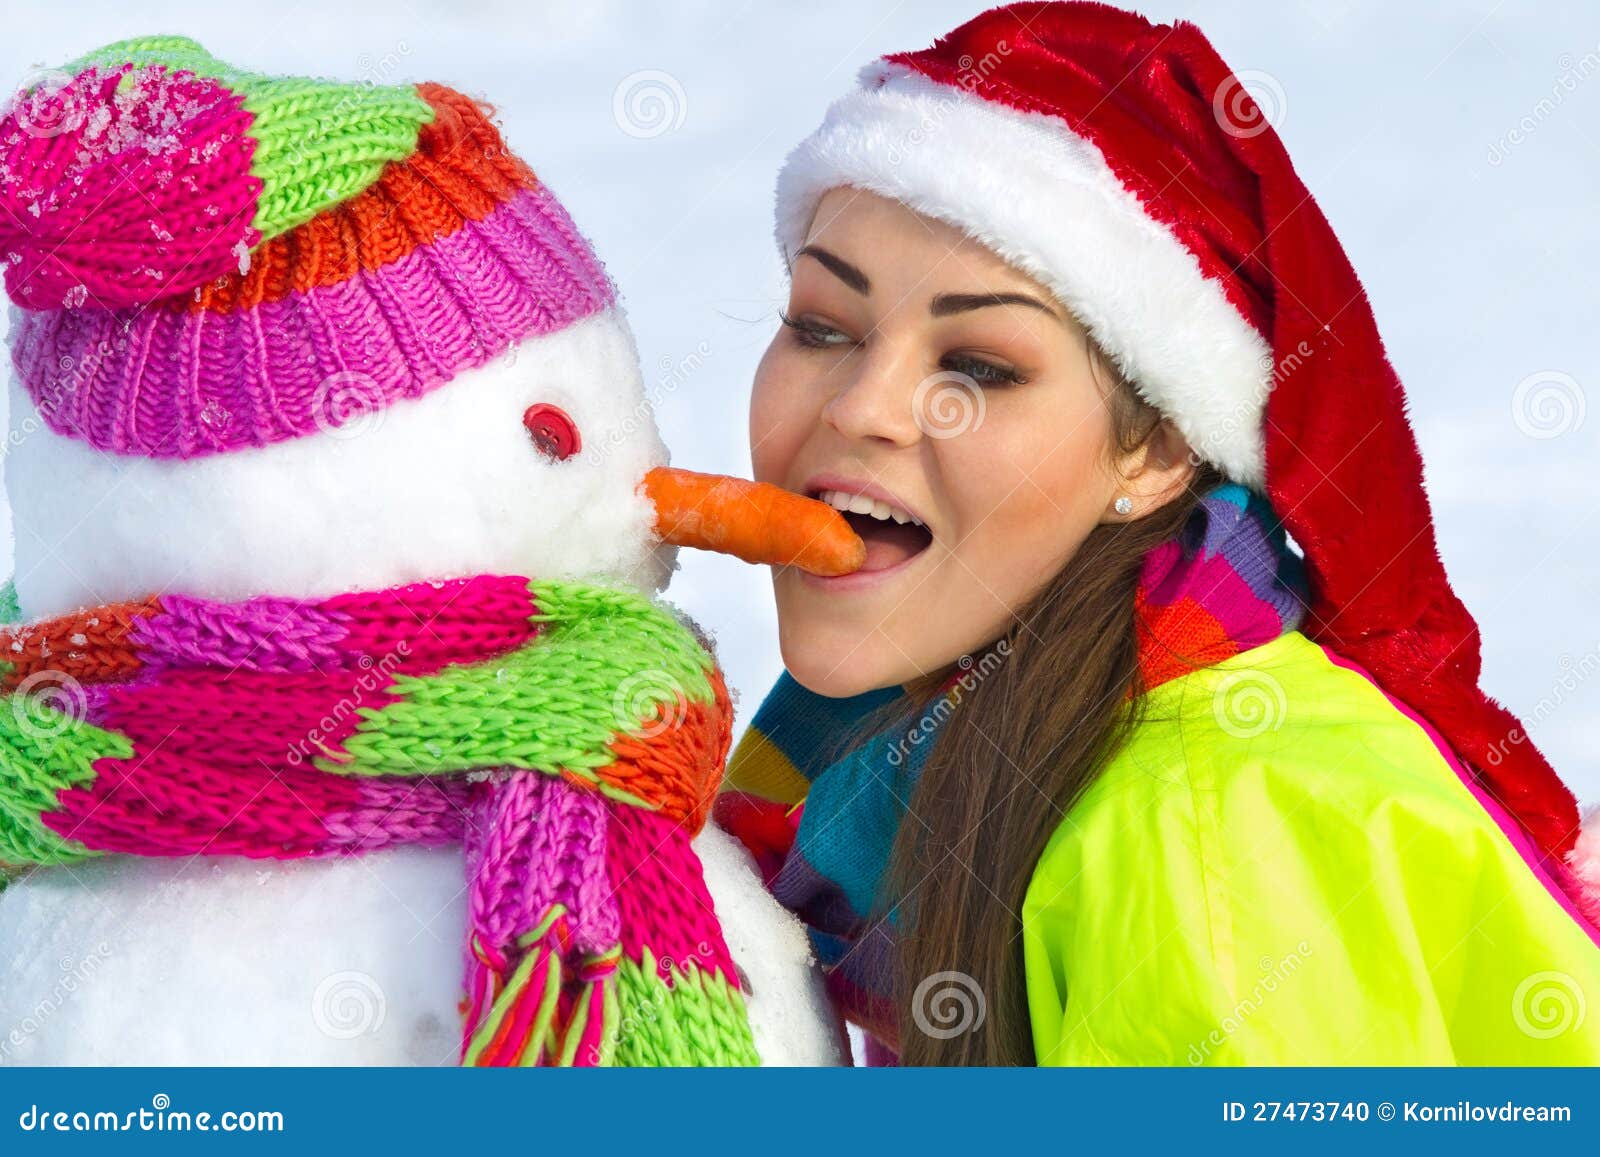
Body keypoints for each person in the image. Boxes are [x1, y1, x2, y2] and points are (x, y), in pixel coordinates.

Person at [713, 0, 1600, 1066]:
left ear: (1159, 453)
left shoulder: (1201, 832)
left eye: (980, 367)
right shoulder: (893, 736)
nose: (864, 407)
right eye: (820, 326)